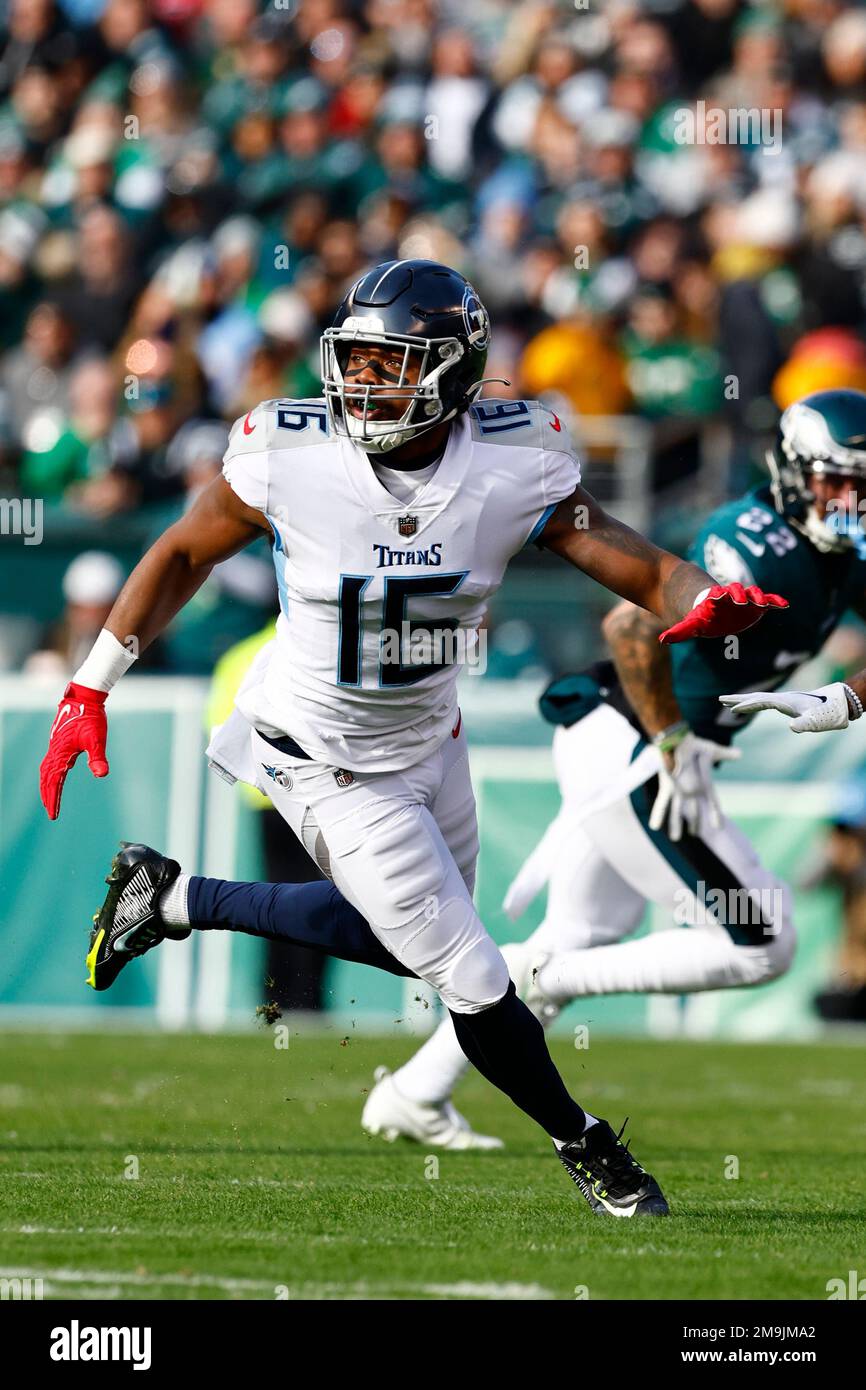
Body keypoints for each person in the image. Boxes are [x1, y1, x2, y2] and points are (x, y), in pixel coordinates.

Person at [39, 260, 782, 1218]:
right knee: (473, 974)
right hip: (323, 753)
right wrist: (88, 687)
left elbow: (632, 559)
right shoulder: (289, 452)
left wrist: (703, 598)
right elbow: (184, 547)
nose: (362, 383)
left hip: (432, 737)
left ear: (455, 372)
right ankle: (589, 1147)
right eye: (353, 360)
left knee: (416, 947)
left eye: (390, 364)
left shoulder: (515, 458)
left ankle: (174, 897)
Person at [356, 387, 866, 1148]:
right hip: (632, 738)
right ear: (795, 473)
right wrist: (668, 741)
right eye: (836, 480)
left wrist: (849, 700)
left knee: (584, 927)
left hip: (655, 743)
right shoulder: (755, 544)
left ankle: (414, 1093)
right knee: (764, 939)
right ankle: (549, 979)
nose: (850, 500)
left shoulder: (835, 549)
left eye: (864, 484)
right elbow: (628, 624)